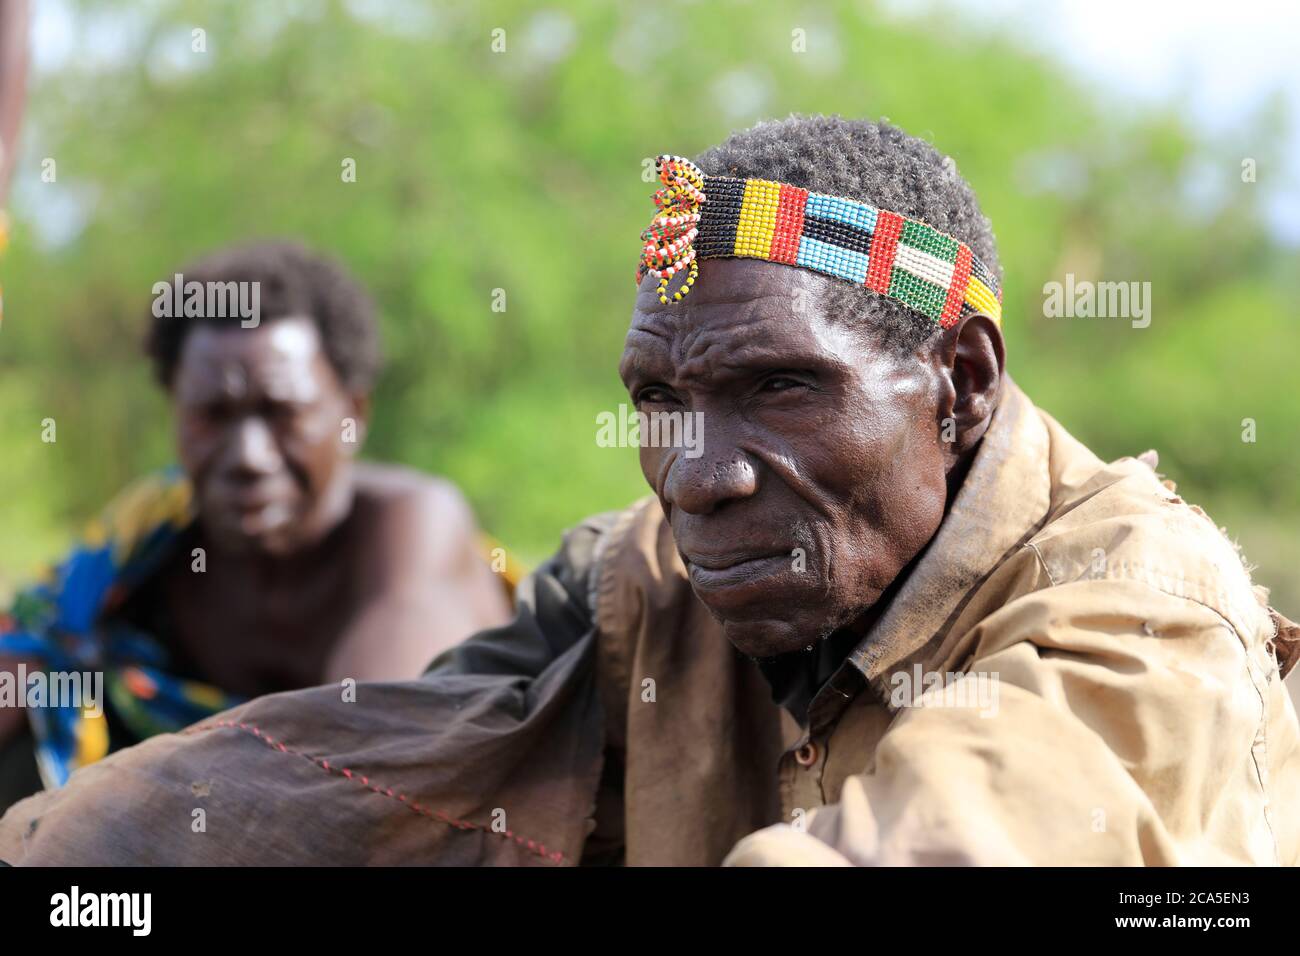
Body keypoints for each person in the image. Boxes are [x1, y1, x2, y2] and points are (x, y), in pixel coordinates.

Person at [2, 117, 1297, 866]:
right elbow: (342, 772)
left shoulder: (1133, 615)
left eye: (782, 388)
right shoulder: (647, 586)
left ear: (956, 381)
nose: (699, 472)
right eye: (660, 401)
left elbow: (949, 839)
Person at [0, 241, 512, 813]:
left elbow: (368, 761)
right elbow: (33, 646)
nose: (247, 455)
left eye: (282, 412)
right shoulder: (145, 552)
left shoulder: (409, 526)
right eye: (211, 416)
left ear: (353, 416)